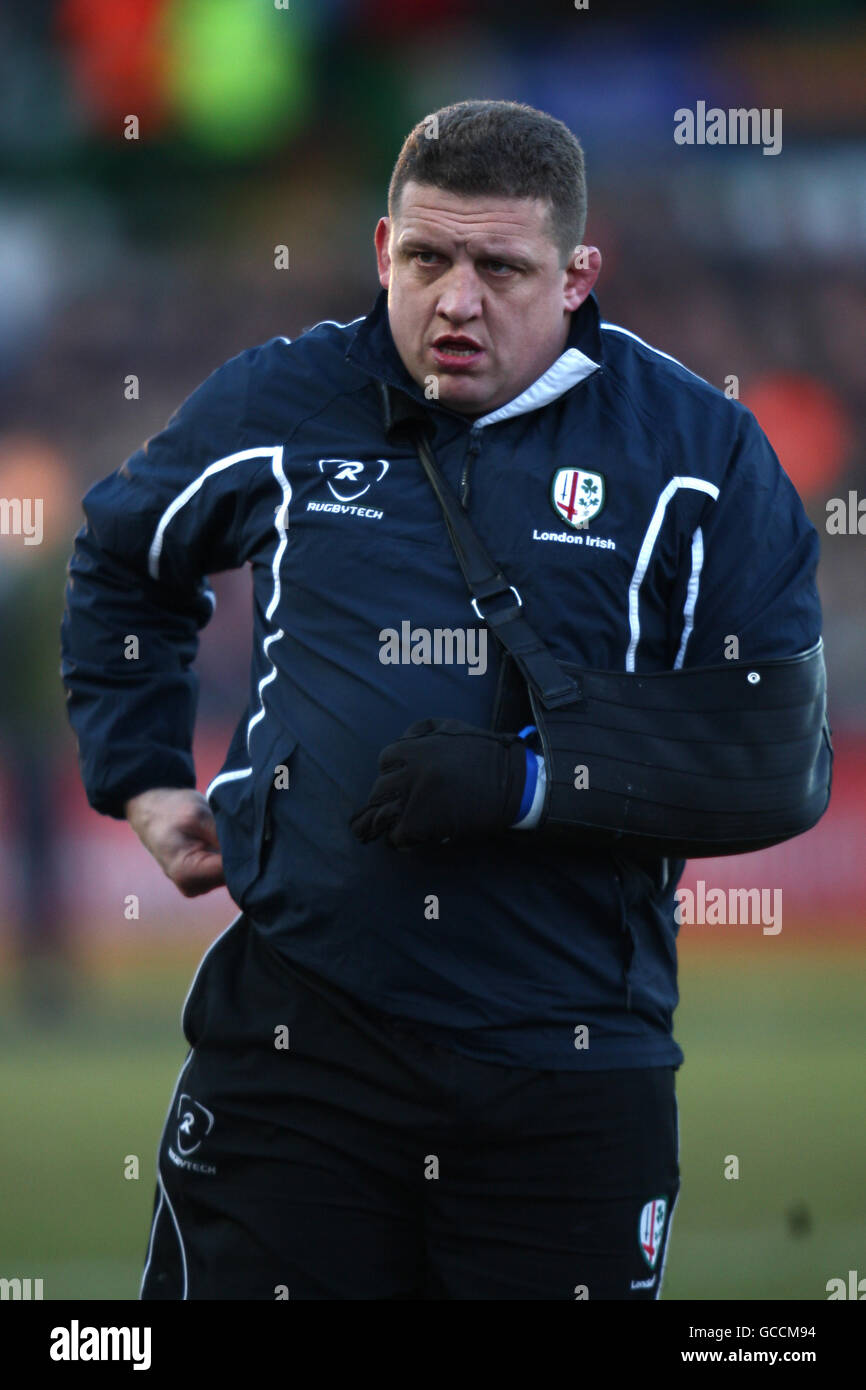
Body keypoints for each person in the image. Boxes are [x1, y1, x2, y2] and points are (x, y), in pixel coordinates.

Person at [60, 99, 829, 1300]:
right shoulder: (286, 399)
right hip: (299, 1048)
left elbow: (777, 757)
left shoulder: (699, 452)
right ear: (381, 251)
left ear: (576, 275)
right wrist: (144, 774)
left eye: (498, 267)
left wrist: (527, 786)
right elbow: (121, 557)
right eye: (426, 258)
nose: (454, 300)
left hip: (567, 1065)